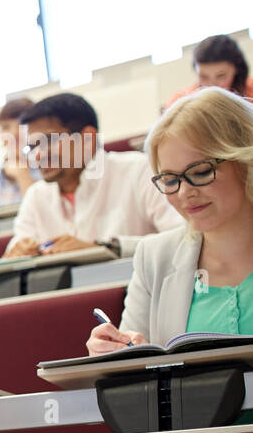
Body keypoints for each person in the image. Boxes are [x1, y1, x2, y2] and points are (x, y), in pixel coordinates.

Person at [88, 88, 253, 362]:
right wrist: (112, 353)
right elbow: (132, 365)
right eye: (169, 180)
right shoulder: (155, 256)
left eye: (200, 172)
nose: (184, 192)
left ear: (246, 161)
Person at [4, 93, 182, 259]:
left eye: (49, 141)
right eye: (33, 146)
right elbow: (14, 253)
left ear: (88, 138)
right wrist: (18, 253)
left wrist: (106, 249)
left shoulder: (138, 170)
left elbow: (183, 238)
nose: (38, 155)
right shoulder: (36, 196)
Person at [164, 35, 253, 110]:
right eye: (204, 77)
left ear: (236, 68)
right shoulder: (181, 101)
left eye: (221, 76)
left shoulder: (250, 91)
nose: (212, 85)